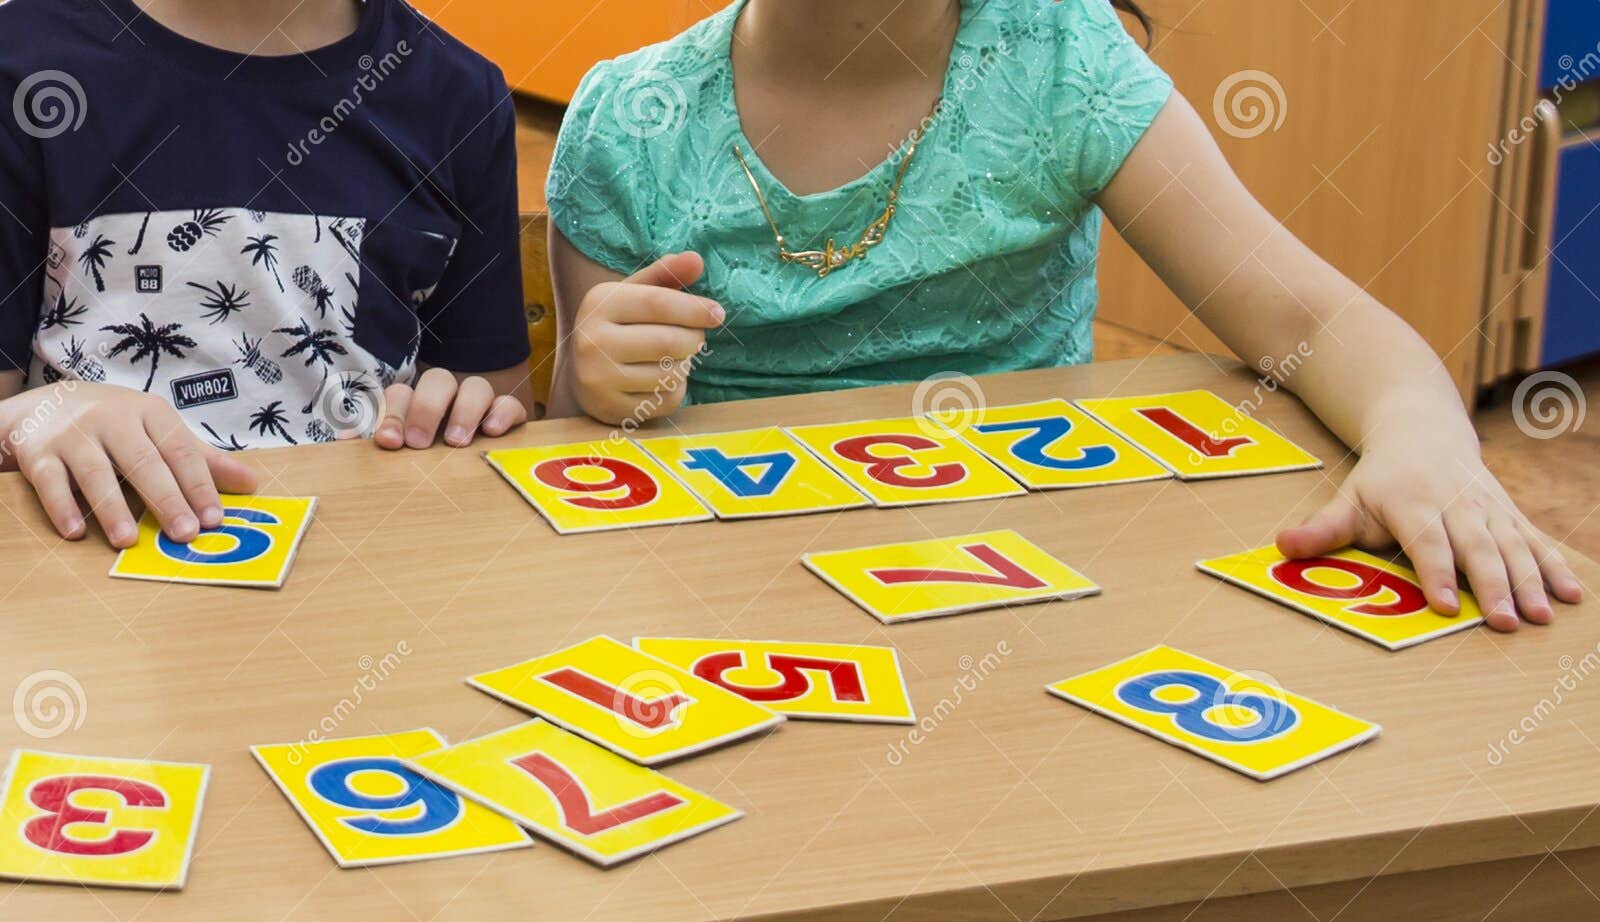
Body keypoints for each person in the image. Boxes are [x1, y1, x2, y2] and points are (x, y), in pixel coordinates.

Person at [545, 0, 1582, 631]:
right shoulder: (625, 121)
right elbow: (568, 460)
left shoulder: (1058, 62)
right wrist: (597, 384)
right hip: (722, 612)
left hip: (1014, 603)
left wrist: (1422, 437)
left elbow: (1305, 308)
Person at [0, 0, 533, 549]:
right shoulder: (22, 66)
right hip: (87, 567)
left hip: (366, 567)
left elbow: (493, 417)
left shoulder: (459, 95)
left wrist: (455, 414)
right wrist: (33, 417)